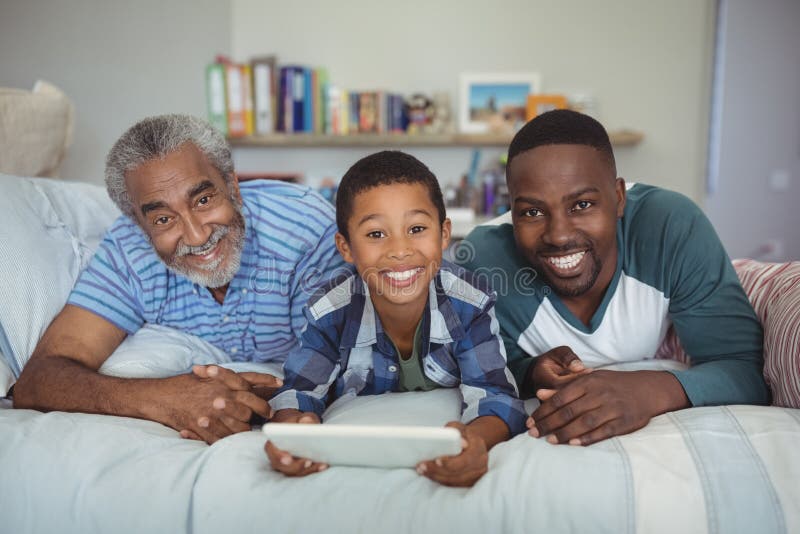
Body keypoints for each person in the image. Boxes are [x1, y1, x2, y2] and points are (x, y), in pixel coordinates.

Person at [13, 114, 344, 444]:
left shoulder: (305, 230)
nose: (197, 236)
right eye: (163, 219)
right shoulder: (128, 251)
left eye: (203, 200)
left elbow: (341, 365)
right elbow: (39, 379)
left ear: (233, 188)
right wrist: (167, 397)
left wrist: (226, 394)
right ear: (140, 227)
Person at [458, 109, 769, 447]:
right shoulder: (484, 263)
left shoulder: (670, 227)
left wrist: (648, 391)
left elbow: (743, 370)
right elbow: (484, 369)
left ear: (619, 197)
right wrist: (531, 372)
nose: (559, 236)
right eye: (532, 212)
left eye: (582, 205)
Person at [264, 151, 527, 487]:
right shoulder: (330, 311)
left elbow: (495, 395)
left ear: (444, 234)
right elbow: (299, 393)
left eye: (416, 229)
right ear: (346, 247)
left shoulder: (469, 304)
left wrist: (474, 440)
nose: (400, 250)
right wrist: (292, 434)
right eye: (376, 234)